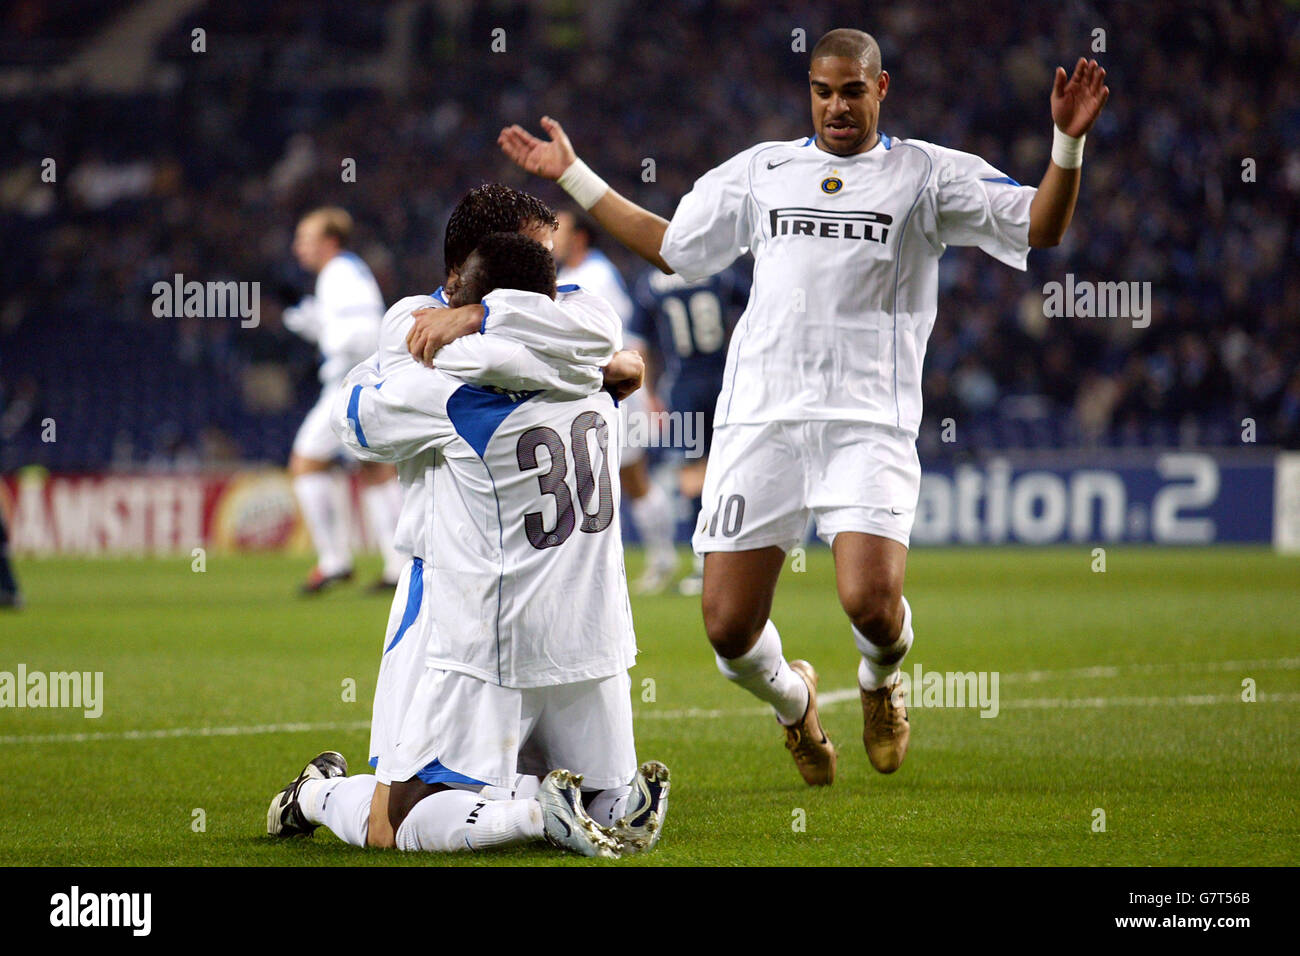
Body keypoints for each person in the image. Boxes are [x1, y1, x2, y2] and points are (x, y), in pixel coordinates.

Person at [498, 28, 1109, 785]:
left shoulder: (926, 175)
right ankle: (796, 704)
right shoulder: (764, 171)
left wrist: (1066, 143)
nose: (837, 106)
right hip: (761, 421)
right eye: (823, 91)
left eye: (853, 90)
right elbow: (672, 245)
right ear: (809, 93)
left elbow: (1041, 226)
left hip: (868, 423)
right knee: (726, 629)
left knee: (872, 605)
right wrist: (575, 175)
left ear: (880, 89)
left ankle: (880, 681)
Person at [269, 233, 668, 857]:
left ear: (468, 297)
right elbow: (589, 338)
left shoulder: (452, 388)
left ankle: (528, 814)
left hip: (495, 637)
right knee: (595, 790)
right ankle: (613, 799)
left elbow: (354, 422)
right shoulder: (601, 375)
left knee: (393, 823)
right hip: (595, 635)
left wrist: (404, 347)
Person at [554, 211, 678, 593]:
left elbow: (620, 337)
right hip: (595, 392)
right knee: (611, 477)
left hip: (617, 391)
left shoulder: (596, 275)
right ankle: (656, 558)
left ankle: (662, 557)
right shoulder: (573, 276)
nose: (552, 240)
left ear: (580, 239)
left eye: (560, 232)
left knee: (630, 477)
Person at [284, 207, 403, 593]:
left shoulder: (338, 273)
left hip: (347, 387)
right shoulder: (347, 272)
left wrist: (328, 336)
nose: (298, 246)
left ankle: (334, 559)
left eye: (306, 238)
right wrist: (320, 325)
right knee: (375, 471)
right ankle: (399, 563)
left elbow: (364, 331)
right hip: (366, 384)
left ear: (329, 242)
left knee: (305, 463)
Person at [628, 262, 751, 594]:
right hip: (726, 382)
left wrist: (648, 393)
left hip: (683, 388)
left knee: (693, 474)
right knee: (726, 470)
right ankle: (724, 556)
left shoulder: (652, 282)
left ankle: (705, 562)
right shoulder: (719, 272)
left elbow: (640, 344)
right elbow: (755, 308)